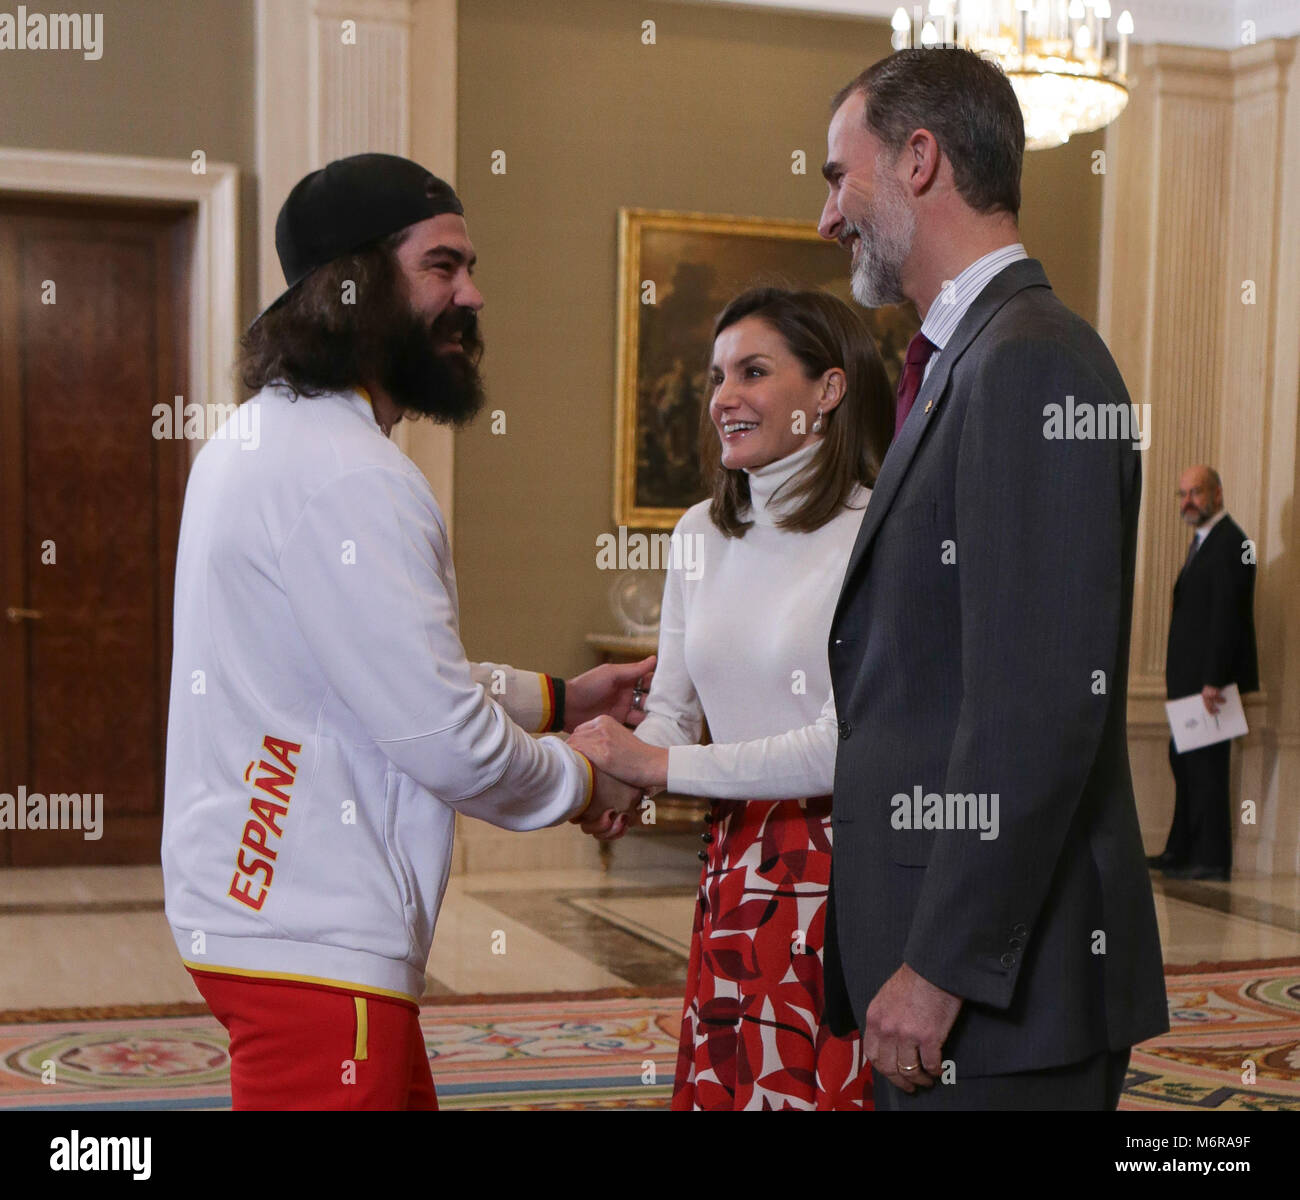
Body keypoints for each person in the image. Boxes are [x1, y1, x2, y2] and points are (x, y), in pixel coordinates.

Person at [161, 153, 646, 1110]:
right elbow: (446, 743)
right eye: (442, 267)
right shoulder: (352, 476)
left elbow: (361, 670)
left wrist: (559, 698)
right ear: (354, 284)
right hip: (315, 938)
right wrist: (591, 778)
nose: (472, 295)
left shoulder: (265, 436)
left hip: (271, 916)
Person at [815, 49, 1168, 1110]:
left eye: (839, 174)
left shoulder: (1030, 362)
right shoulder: (964, 361)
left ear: (919, 159)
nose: (828, 214)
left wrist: (941, 969)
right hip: (965, 983)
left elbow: (1038, 703)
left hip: (1003, 996)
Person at [570, 285, 893, 1110]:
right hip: (733, 865)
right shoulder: (695, 536)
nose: (722, 398)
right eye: (717, 375)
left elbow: (844, 742)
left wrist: (657, 763)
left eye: (753, 370)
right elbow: (673, 710)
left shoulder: (877, 531)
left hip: (841, 871)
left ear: (828, 390)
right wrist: (619, 776)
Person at [1150, 465, 1258, 881]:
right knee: (1184, 761)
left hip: (1208, 684)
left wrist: (1213, 677)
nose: (1188, 501)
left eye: (1195, 492)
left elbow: (1226, 618)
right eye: (1183, 494)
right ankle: (1181, 849)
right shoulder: (1204, 542)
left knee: (1208, 769)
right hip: (1189, 681)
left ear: (1217, 493)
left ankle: (1211, 858)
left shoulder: (1232, 543)